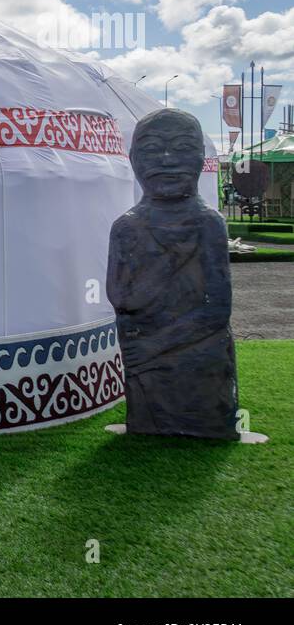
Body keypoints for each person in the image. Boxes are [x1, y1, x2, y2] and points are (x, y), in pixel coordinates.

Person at [107, 109, 239, 439]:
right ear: (134, 158)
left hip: (195, 350)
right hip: (145, 356)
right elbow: (121, 298)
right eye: (152, 149)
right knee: (151, 409)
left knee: (201, 405)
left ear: (200, 155)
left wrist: (157, 343)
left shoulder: (208, 223)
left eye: (181, 147)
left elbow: (217, 309)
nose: (167, 160)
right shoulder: (127, 227)